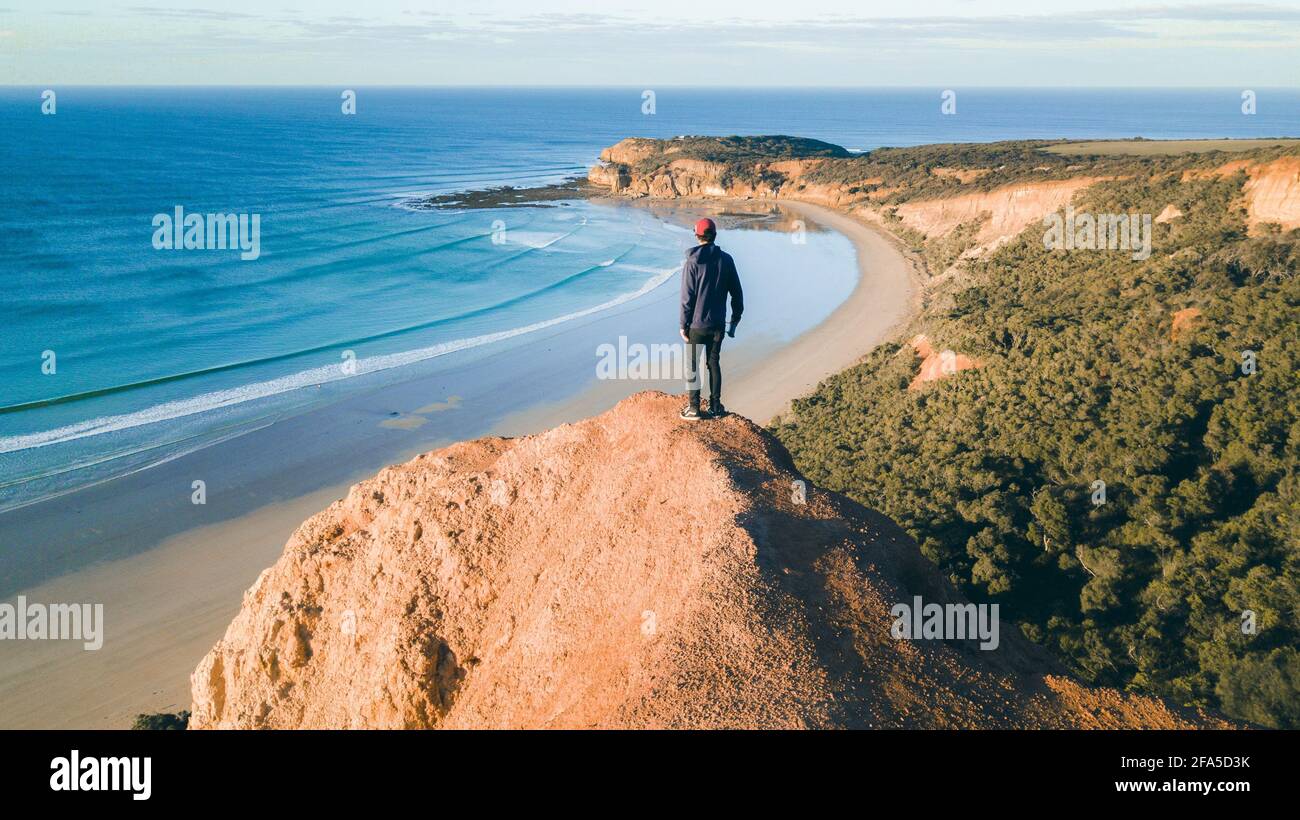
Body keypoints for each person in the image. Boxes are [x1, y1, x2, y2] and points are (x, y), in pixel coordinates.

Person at [679, 217, 743, 420]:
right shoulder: (727, 259)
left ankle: (694, 408)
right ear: (714, 235)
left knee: (692, 364)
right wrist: (735, 319)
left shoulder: (692, 262)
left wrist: (683, 324)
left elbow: (687, 298)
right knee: (713, 363)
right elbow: (737, 293)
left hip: (697, 325)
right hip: (717, 325)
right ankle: (716, 407)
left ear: (697, 236)